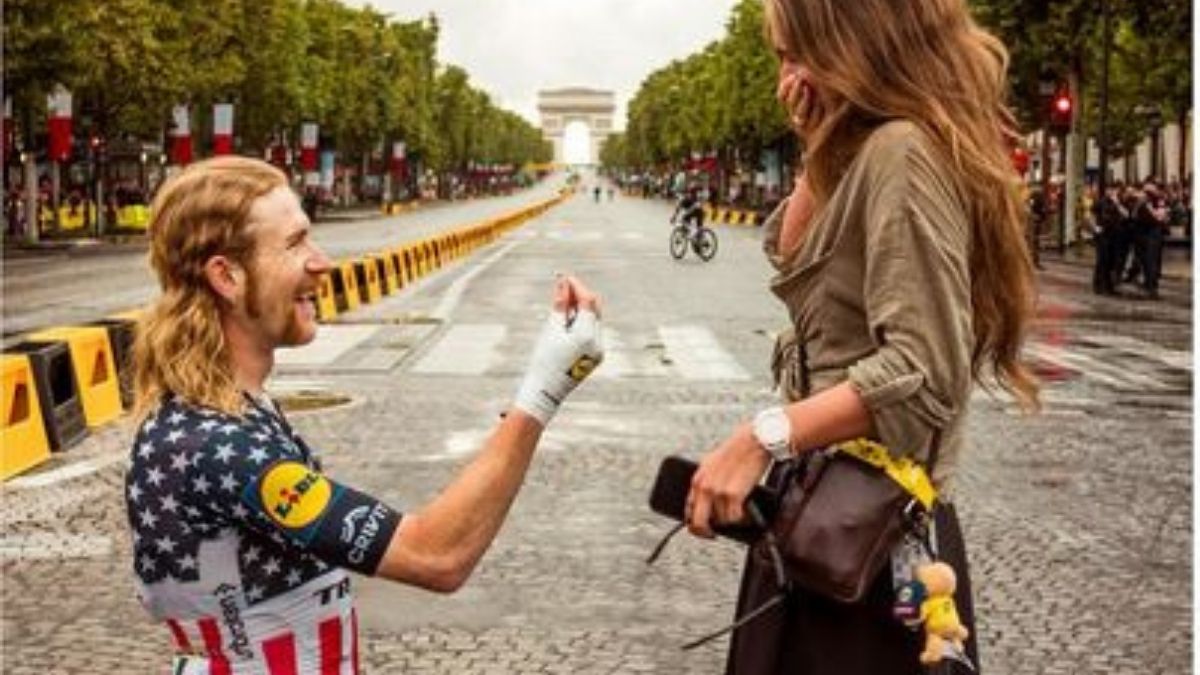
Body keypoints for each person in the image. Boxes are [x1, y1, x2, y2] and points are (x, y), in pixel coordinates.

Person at [126, 156, 603, 674]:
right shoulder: (218, 446)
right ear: (227, 275)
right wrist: (541, 392)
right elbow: (437, 556)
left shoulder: (228, 418)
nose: (322, 262)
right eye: (294, 243)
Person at [682, 1, 1040, 673]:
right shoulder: (865, 150)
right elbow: (794, 261)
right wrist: (820, 133)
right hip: (826, 524)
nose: (783, 77)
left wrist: (763, 435)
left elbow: (925, 368)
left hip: (871, 541)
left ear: (844, 43)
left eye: (794, 55)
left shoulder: (902, 152)